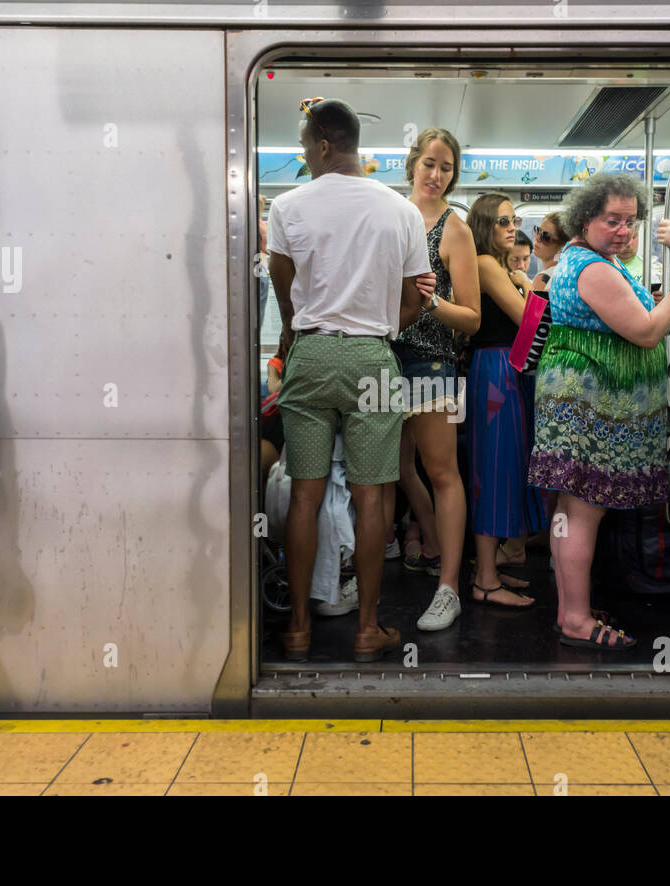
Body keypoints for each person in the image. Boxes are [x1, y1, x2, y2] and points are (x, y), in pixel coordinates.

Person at [267, 97, 432, 663]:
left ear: (323, 144)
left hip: (311, 356)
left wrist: (297, 334)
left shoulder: (286, 207)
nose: (300, 156)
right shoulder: (401, 211)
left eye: (302, 147)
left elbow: (286, 293)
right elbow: (415, 300)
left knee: (306, 495)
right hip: (371, 360)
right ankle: (368, 628)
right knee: (372, 497)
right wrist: (379, 328)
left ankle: (296, 627)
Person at [529, 173, 670, 651]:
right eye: (613, 221)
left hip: (583, 401)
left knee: (571, 512)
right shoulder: (595, 270)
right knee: (583, 512)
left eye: (631, 221)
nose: (624, 230)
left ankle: (569, 609)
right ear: (585, 220)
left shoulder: (586, 259)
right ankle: (577, 619)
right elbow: (646, 331)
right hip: (592, 405)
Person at [384, 127, 481, 632]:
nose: (436, 174)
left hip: (430, 363)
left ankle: (449, 587)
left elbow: (472, 317)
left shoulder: (454, 229)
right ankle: (435, 547)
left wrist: (431, 302)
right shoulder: (388, 215)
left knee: (442, 471)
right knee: (391, 470)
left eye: (446, 167)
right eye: (429, 163)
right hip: (383, 358)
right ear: (412, 165)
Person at [465, 192, 550, 609]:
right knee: (493, 471)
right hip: (497, 368)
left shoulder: (494, 265)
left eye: (513, 219)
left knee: (503, 467)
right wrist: (528, 287)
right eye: (503, 221)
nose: (512, 226)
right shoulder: (485, 264)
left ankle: (490, 571)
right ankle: (484, 578)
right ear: (484, 226)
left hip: (502, 368)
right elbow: (527, 322)